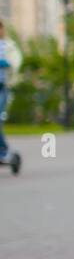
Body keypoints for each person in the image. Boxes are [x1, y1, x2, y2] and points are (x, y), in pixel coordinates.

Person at [0, 20, 22, 170]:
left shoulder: (9, 46)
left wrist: (5, 62)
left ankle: (4, 151)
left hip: (3, 87)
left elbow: (16, 62)